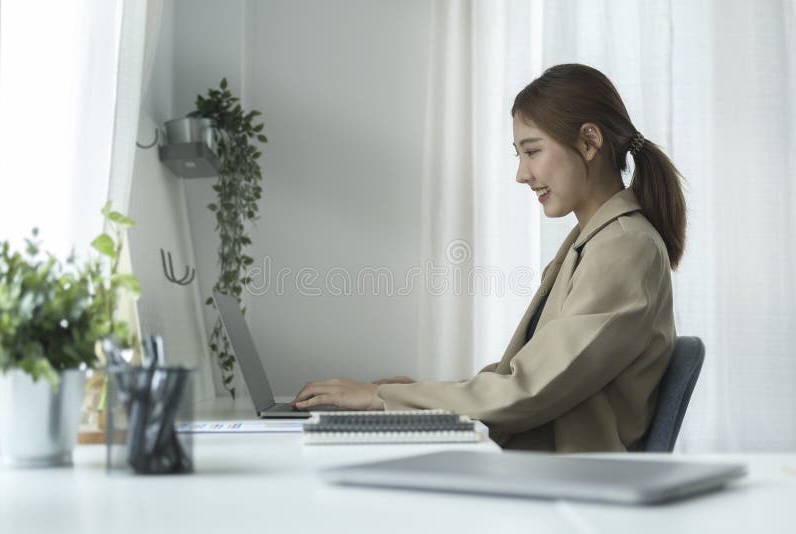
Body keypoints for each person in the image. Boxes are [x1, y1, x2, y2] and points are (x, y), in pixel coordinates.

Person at [293, 63, 686, 452]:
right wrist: (410, 394)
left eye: (532, 151)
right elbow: (520, 378)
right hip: (536, 461)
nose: (522, 173)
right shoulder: (593, 241)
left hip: (561, 473)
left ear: (588, 142)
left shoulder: (624, 248)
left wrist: (383, 400)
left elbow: (528, 390)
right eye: (519, 155)